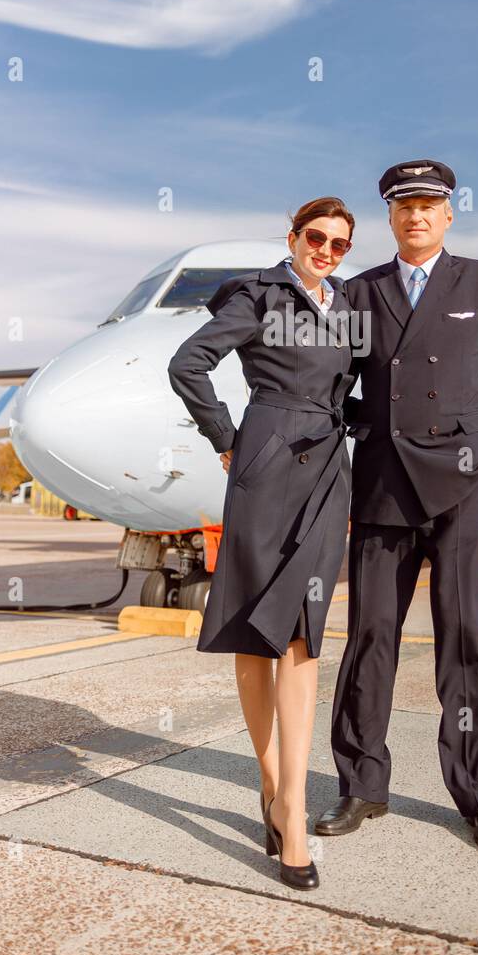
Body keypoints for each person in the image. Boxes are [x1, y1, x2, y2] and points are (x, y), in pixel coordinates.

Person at [315, 160, 478, 851]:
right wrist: (361, 426)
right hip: (385, 482)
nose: (416, 216)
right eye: (404, 206)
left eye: (429, 205)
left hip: (463, 480)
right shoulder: (359, 291)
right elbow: (330, 385)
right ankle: (360, 785)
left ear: (448, 214)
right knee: (370, 638)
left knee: (466, 637)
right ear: (389, 218)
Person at [167, 198, 357, 890]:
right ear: (294, 238)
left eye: (339, 244)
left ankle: (295, 812)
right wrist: (226, 439)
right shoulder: (260, 295)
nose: (327, 252)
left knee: (304, 633)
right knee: (254, 634)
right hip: (265, 468)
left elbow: (342, 395)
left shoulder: (347, 306)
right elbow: (188, 365)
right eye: (317, 239)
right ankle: (274, 784)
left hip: (328, 473)